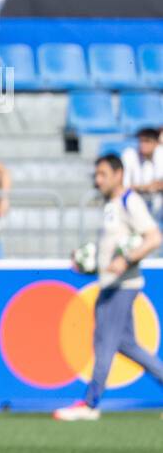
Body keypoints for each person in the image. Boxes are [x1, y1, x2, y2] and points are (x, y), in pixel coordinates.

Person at [55, 154, 163, 421]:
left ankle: (90, 403)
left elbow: (154, 238)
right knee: (126, 345)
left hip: (121, 286)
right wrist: (92, 263)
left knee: (104, 341)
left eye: (103, 174)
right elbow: (115, 246)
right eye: (96, 174)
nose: (98, 179)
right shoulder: (111, 204)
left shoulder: (130, 201)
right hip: (111, 283)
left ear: (118, 175)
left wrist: (124, 260)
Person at [120, 127, 163, 219]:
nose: (142, 145)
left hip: (156, 208)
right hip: (132, 205)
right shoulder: (130, 154)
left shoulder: (159, 153)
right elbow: (123, 186)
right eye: (141, 141)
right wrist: (147, 187)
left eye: (147, 141)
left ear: (156, 143)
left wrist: (140, 187)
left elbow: (159, 184)